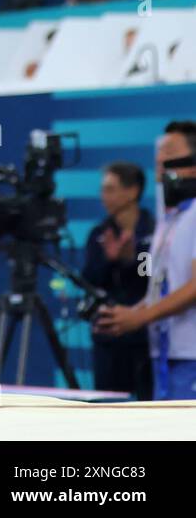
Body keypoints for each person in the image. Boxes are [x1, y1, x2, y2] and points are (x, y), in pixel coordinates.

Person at [96, 121, 196, 400]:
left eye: (170, 153)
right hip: (163, 356)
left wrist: (140, 317)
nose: (162, 162)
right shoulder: (168, 220)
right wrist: (126, 315)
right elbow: (158, 285)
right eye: (158, 157)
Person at [83, 162, 154, 398]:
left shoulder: (154, 233)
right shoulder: (99, 235)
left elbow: (152, 280)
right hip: (108, 338)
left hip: (144, 338)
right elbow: (90, 280)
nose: (104, 196)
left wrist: (130, 260)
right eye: (103, 190)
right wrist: (110, 260)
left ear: (132, 191)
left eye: (111, 189)